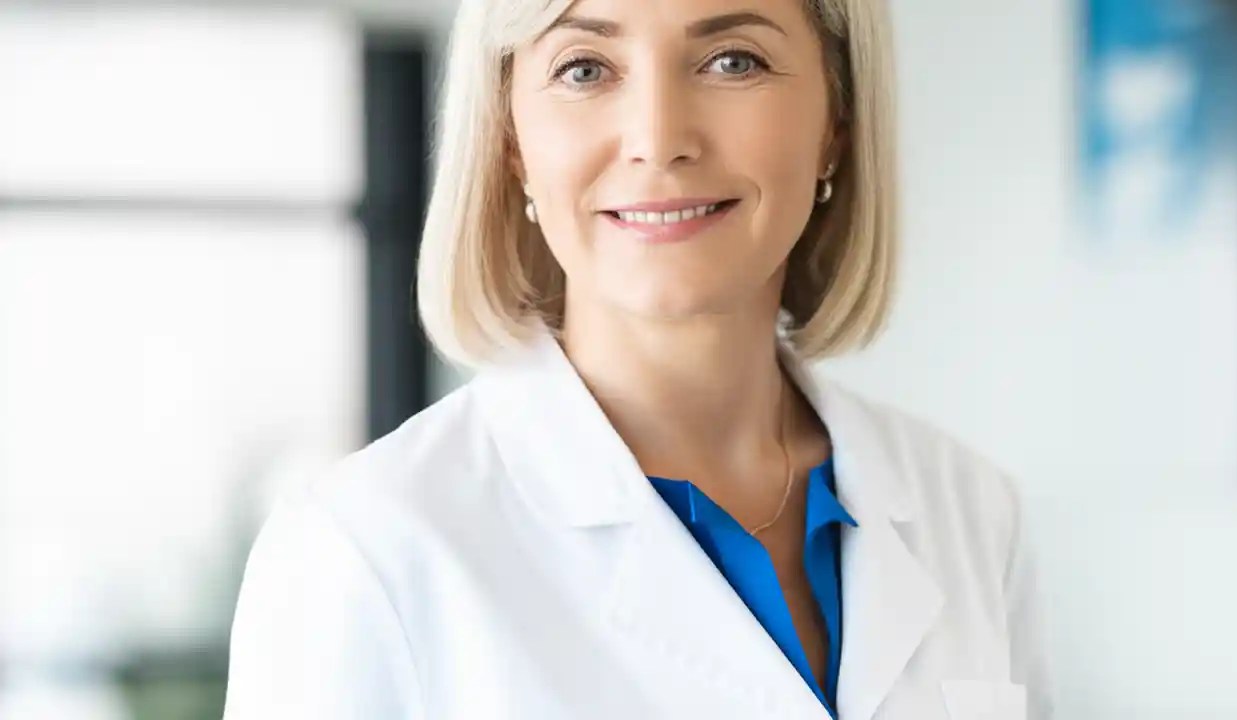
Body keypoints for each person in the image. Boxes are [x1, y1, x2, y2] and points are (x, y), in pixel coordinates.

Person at [222, 0, 1054, 718]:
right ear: (510, 138)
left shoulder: (972, 512)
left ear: (838, 119)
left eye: (734, 60)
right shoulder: (366, 548)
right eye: (585, 69)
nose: (658, 140)